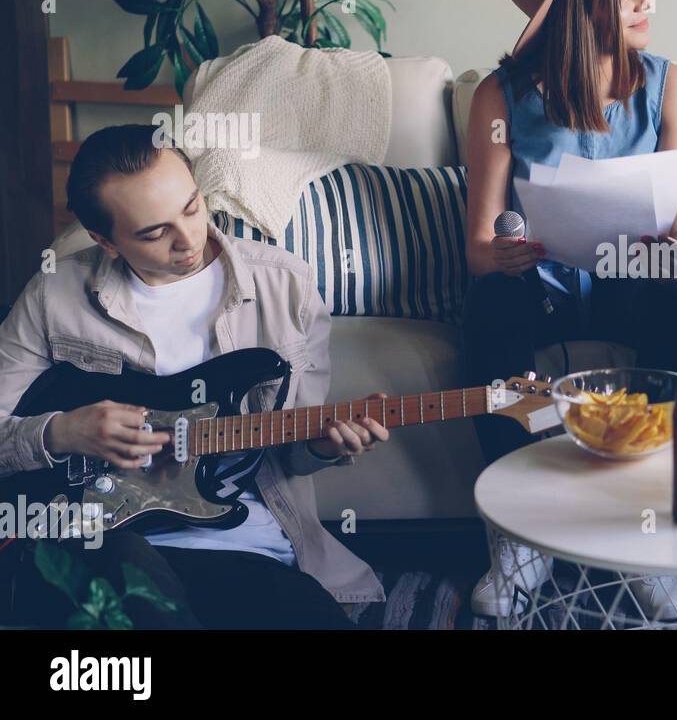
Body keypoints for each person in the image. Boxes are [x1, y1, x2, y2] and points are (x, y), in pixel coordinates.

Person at [0, 125, 390, 629]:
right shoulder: (55, 294)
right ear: (104, 240)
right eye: (154, 231)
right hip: (108, 535)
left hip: (248, 542)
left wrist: (326, 447)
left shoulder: (287, 287)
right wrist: (61, 431)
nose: (189, 240)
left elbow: (292, 454)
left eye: (191, 207)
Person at [462, 0, 677, 620]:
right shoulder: (498, 96)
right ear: (579, 5)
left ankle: (641, 536)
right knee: (490, 308)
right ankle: (518, 538)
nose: (646, 1)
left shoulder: (671, 85)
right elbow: (478, 248)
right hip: (538, 284)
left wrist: (668, 248)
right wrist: (503, 254)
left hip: (634, 280)